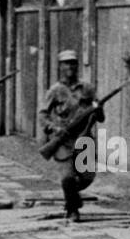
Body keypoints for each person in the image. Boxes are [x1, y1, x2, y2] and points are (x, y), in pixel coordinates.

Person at [40, 49, 103, 222]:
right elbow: (42, 114)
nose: (70, 67)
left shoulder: (87, 88)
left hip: (84, 138)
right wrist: (54, 128)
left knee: (87, 178)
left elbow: (100, 115)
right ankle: (73, 208)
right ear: (60, 66)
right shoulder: (55, 90)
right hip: (63, 140)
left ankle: (72, 198)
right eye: (66, 63)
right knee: (67, 177)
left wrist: (97, 110)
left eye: (73, 63)